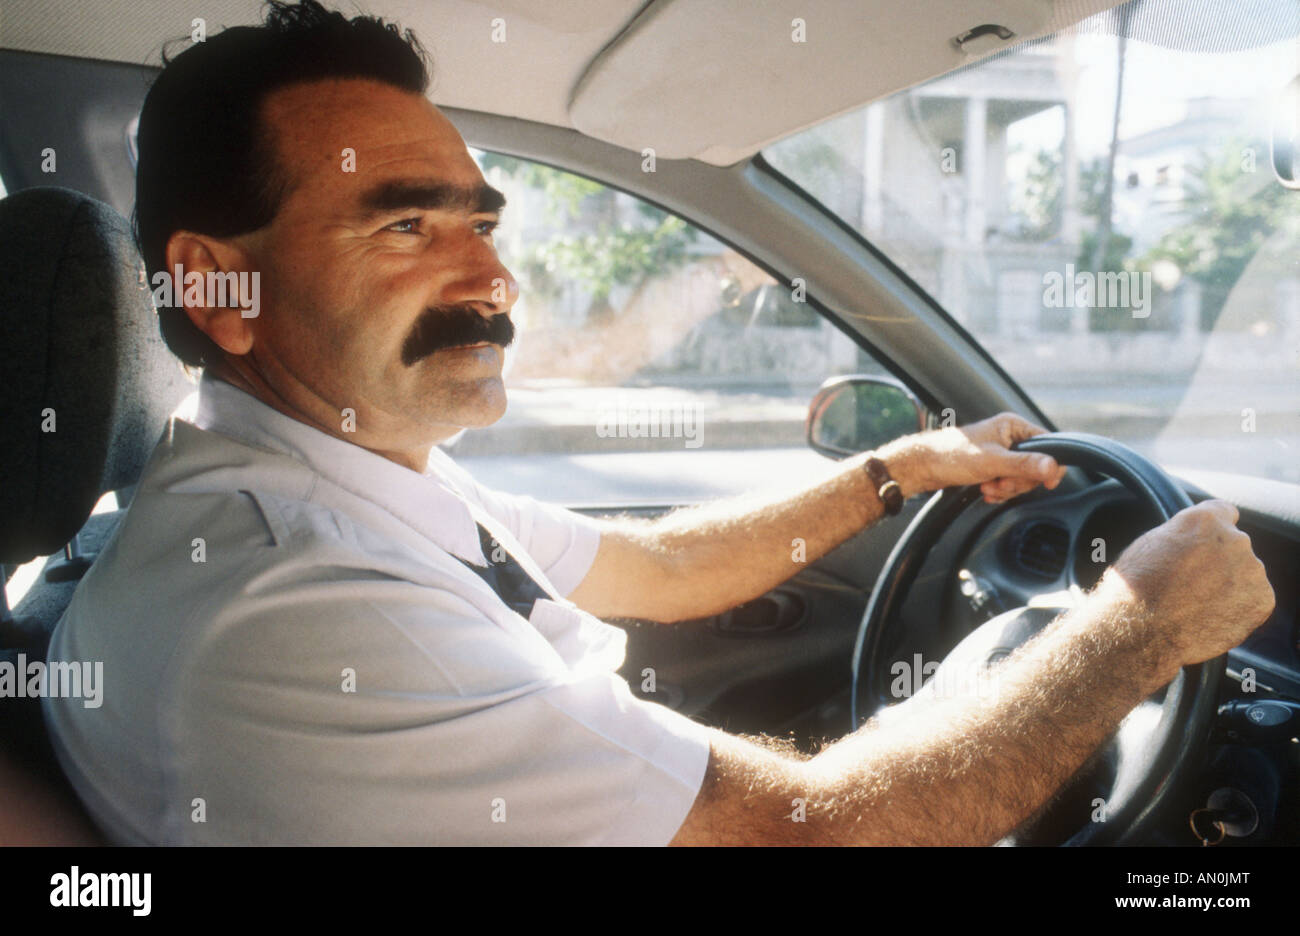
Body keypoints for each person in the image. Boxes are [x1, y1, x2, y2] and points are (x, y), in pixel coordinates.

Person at [43, 1, 1275, 845]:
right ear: (218, 286)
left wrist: (897, 469)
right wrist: (1132, 627)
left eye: (482, 223)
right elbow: (821, 838)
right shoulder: (300, 602)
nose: (493, 279)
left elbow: (656, 563)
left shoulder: (323, 473)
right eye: (406, 227)